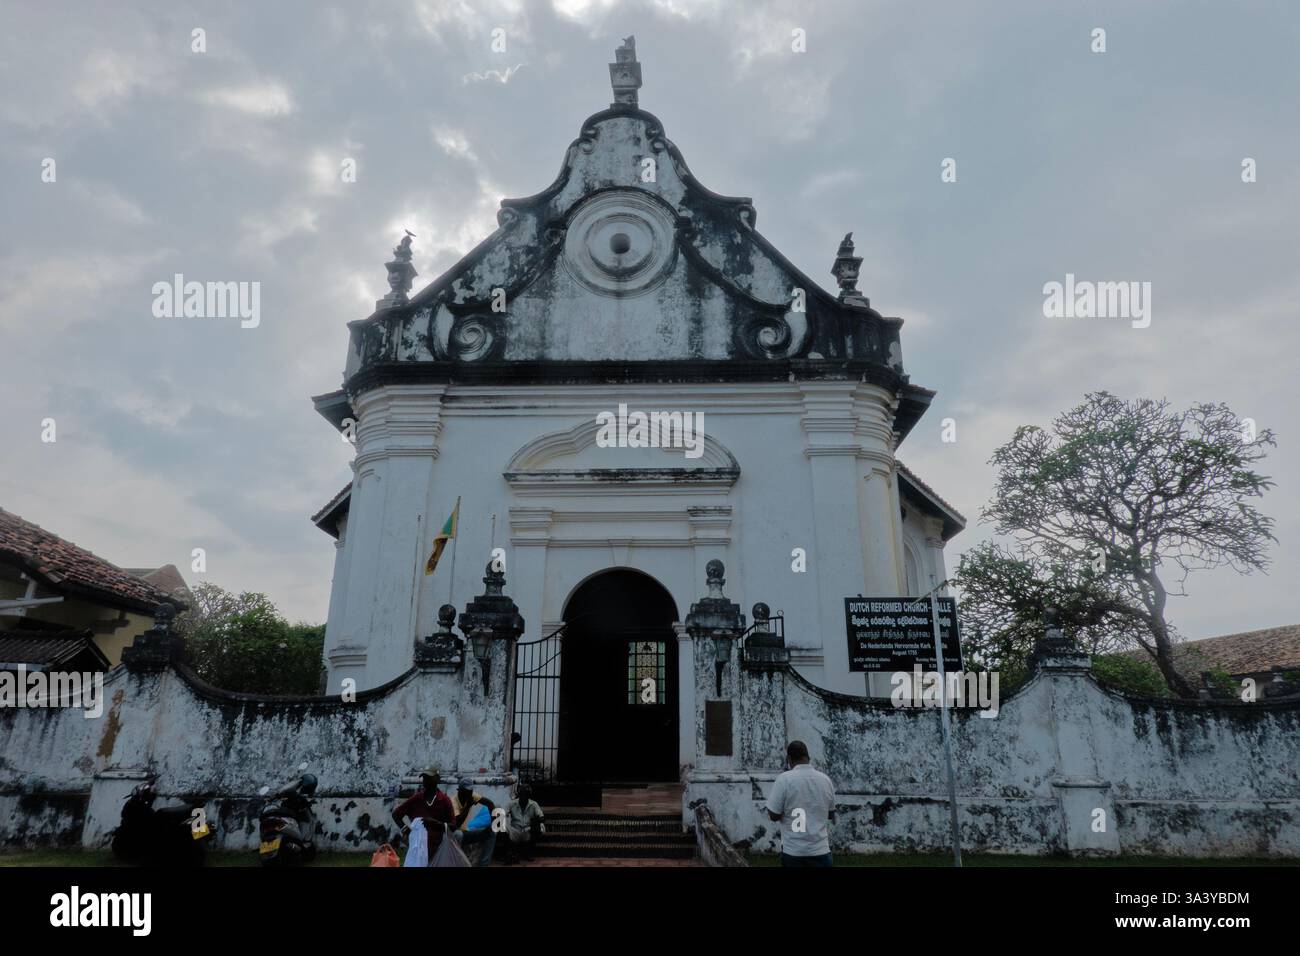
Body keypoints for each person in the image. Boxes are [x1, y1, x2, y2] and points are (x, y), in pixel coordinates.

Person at [765, 740, 836, 867]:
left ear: (789, 759)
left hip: (794, 852)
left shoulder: (784, 779)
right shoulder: (825, 780)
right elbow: (830, 814)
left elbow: (773, 815)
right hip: (821, 851)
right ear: (808, 758)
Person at [391, 768, 455, 862]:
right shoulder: (417, 798)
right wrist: (406, 830)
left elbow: (453, 826)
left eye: (429, 778)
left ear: (437, 779)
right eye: (424, 778)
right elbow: (396, 814)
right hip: (417, 848)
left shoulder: (444, 800)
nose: (426, 781)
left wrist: (436, 823)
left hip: (437, 848)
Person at [451, 776, 497, 866]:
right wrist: (468, 806)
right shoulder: (453, 801)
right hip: (456, 834)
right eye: (467, 791)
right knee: (458, 834)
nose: (470, 793)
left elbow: (490, 803)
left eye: (471, 790)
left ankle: (484, 864)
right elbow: (458, 823)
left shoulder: (471, 795)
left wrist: (493, 822)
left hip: (467, 832)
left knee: (491, 833)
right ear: (460, 790)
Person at [503, 784, 545, 863]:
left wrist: (536, 821)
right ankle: (509, 852)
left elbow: (541, 817)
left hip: (528, 831)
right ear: (519, 795)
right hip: (515, 830)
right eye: (522, 794)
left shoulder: (534, 804)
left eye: (526, 795)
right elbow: (504, 813)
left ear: (529, 796)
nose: (524, 797)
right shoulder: (511, 804)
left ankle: (529, 852)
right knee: (502, 825)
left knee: (540, 826)